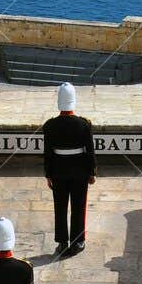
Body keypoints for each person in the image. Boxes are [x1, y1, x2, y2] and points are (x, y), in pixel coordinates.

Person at [42, 83, 95, 256]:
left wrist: (48, 174)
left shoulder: (50, 126)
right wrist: (91, 172)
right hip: (79, 171)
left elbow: (48, 153)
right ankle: (78, 241)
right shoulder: (84, 125)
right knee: (79, 206)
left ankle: (62, 242)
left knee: (60, 206)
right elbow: (90, 151)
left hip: (58, 171)